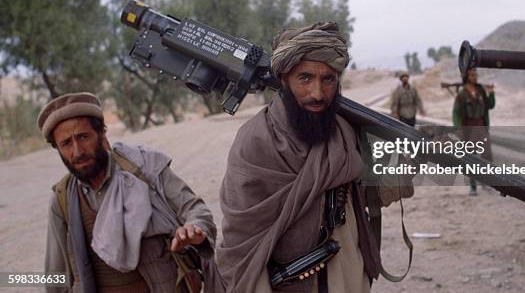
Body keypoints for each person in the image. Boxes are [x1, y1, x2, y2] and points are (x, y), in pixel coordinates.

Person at [217, 23, 385, 293]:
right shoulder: (255, 140)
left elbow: (382, 177)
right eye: (305, 78)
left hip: (350, 273)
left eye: (328, 79)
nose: (317, 93)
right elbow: (242, 237)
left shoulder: (345, 129)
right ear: (284, 79)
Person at [39, 92, 217, 292]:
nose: (77, 151)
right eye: (66, 143)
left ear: (102, 134)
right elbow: (56, 275)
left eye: (83, 137)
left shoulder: (145, 168)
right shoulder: (62, 199)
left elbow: (195, 209)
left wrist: (194, 228)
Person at [452, 68, 495, 196]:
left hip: (481, 127)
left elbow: (490, 105)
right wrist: (459, 129)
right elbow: (456, 114)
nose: (475, 77)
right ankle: (473, 186)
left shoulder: (481, 90)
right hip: (469, 129)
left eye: (476, 75)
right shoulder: (462, 94)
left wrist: (491, 93)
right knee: (471, 158)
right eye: (472, 75)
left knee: (487, 156)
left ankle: (487, 182)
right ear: (467, 77)